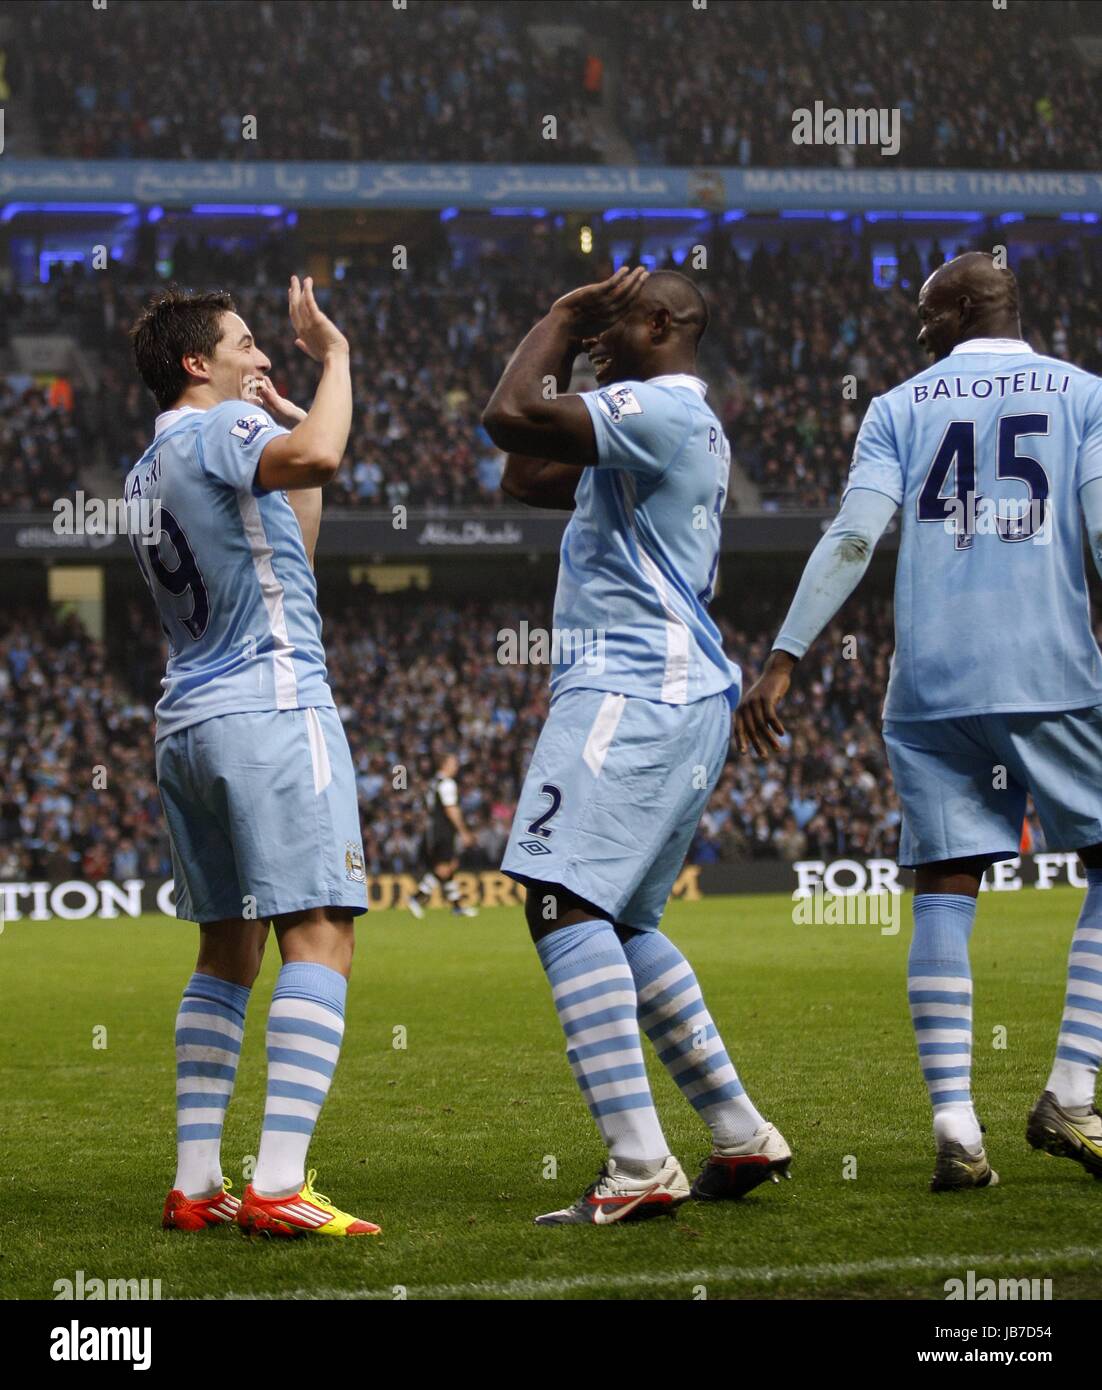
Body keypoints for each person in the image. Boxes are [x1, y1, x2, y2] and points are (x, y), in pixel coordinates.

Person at [738, 251, 1102, 1191]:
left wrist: (785, 656)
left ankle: (957, 1128)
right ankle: (1069, 1087)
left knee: (943, 889)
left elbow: (854, 534)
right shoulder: (1081, 395)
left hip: (931, 687)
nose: (916, 328)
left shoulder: (899, 406)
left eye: (925, 311)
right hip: (1048, 672)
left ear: (967, 306)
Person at [483, 266, 790, 1226]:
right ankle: (739, 1133)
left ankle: (638, 1162)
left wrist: (560, 313)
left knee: (558, 898)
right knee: (618, 921)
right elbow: (524, 470)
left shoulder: (653, 410)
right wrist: (575, 346)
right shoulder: (672, 422)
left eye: (617, 324)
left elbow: (505, 416)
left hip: (631, 687)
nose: (600, 342)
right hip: (680, 692)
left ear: (660, 322)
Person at [127, 278, 378, 1237]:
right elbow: (320, 449)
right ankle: (277, 1184)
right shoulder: (214, 430)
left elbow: (293, 542)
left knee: (227, 951)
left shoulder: (148, 465)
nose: (263, 354)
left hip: (189, 722)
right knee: (321, 932)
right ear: (199, 364)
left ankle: (197, 1185)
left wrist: (280, 417)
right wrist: (337, 363)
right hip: (275, 705)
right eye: (245, 343)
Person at [407, 752, 478, 919]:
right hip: (443, 831)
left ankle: (457, 906)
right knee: (443, 868)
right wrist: (464, 832)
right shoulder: (447, 783)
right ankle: (416, 898)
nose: (456, 766)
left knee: (451, 865)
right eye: (453, 763)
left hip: (433, 831)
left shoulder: (433, 782)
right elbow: (450, 809)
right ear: (444, 764)